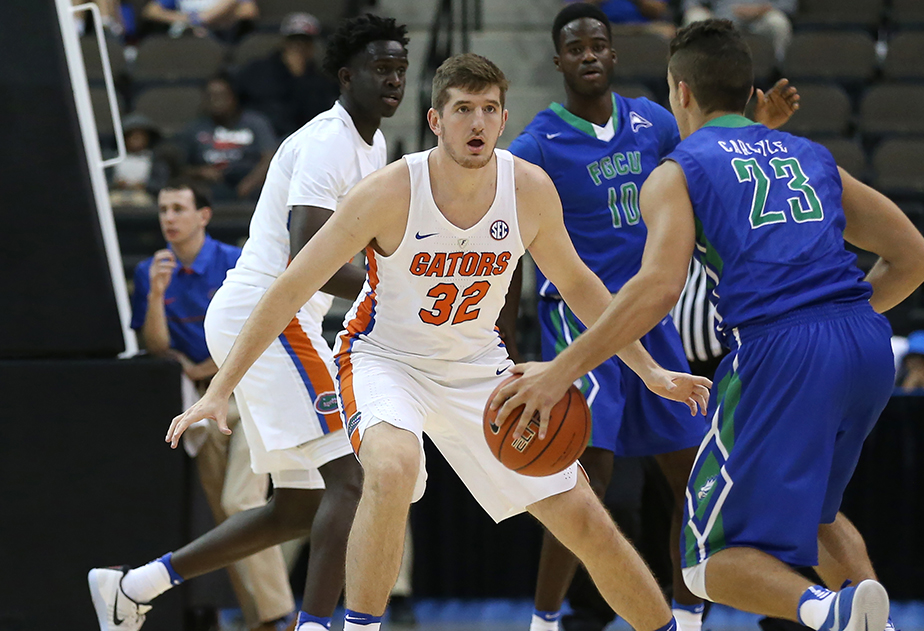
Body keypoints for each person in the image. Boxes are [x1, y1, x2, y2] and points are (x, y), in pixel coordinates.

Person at [168, 52, 712, 631]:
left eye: (488, 110)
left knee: (586, 520)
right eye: (462, 110)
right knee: (394, 465)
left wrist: (648, 370)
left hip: (477, 366)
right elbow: (291, 284)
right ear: (435, 120)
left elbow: (580, 285)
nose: (475, 123)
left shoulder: (527, 189)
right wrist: (220, 389)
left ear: (504, 121)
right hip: (383, 359)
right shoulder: (389, 191)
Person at [495, 19, 924, 631]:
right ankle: (871, 620)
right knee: (818, 515)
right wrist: (843, 318)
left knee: (706, 562)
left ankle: (826, 612)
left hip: (780, 349)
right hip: (865, 344)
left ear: (680, 93)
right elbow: (918, 259)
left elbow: (655, 288)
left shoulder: (677, 171)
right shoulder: (812, 154)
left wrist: (558, 373)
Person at [88, 14, 411, 631]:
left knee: (298, 506)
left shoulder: (374, 146)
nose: (393, 78)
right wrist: (394, 290)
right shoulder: (328, 141)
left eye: (400, 67)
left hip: (279, 320)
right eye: (380, 67)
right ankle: (317, 625)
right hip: (271, 315)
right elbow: (304, 257)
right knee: (353, 476)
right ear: (347, 76)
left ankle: (133, 586)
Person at [505, 5, 797, 631]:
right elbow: (506, 243)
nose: (589, 55)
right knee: (586, 476)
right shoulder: (534, 145)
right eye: (575, 48)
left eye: (599, 45)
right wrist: (503, 333)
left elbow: (710, 163)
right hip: (578, 322)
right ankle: (545, 618)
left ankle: (687, 616)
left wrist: (760, 128)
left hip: (650, 317)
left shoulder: (653, 121)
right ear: (558, 61)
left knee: (692, 476)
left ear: (613, 54)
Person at [127, 178, 296, 630]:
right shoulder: (150, 270)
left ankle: (280, 614)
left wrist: (209, 367)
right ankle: (262, 617)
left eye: (179, 208)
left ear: (203, 216)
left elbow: (260, 324)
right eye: (163, 209)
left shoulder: (232, 262)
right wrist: (156, 296)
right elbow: (158, 346)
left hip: (248, 390)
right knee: (227, 515)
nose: (169, 218)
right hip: (198, 405)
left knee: (241, 501)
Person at [237, 12, 339, 137]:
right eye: (294, 41)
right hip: (260, 138)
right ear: (284, 43)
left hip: (302, 139)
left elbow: (316, 118)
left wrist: (299, 78)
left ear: (312, 48)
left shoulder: (321, 81)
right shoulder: (257, 70)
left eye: (305, 42)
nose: (299, 47)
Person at [181, 74, 277, 201]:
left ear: (233, 97)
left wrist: (250, 183)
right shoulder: (195, 128)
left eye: (221, 95)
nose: (215, 101)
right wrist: (200, 171)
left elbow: (270, 158)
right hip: (214, 183)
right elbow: (180, 167)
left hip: (251, 178)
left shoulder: (255, 123)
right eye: (210, 96)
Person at [682, 0, 795, 61]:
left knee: (778, 22)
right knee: (695, 17)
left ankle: (777, 71)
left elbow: (789, 5)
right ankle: (695, 68)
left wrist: (761, 9)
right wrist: (702, 9)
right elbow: (691, 3)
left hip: (760, 20)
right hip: (721, 20)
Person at [108, 113, 171, 206]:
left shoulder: (156, 161)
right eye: (132, 136)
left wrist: (145, 185)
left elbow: (162, 184)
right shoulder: (111, 158)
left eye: (140, 136)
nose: (136, 140)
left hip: (145, 196)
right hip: (116, 194)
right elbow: (101, 181)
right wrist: (116, 184)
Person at [140, 0, 258, 40]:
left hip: (221, 35)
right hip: (185, 35)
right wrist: (187, 18)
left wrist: (211, 18)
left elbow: (249, 11)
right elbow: (150, 11)